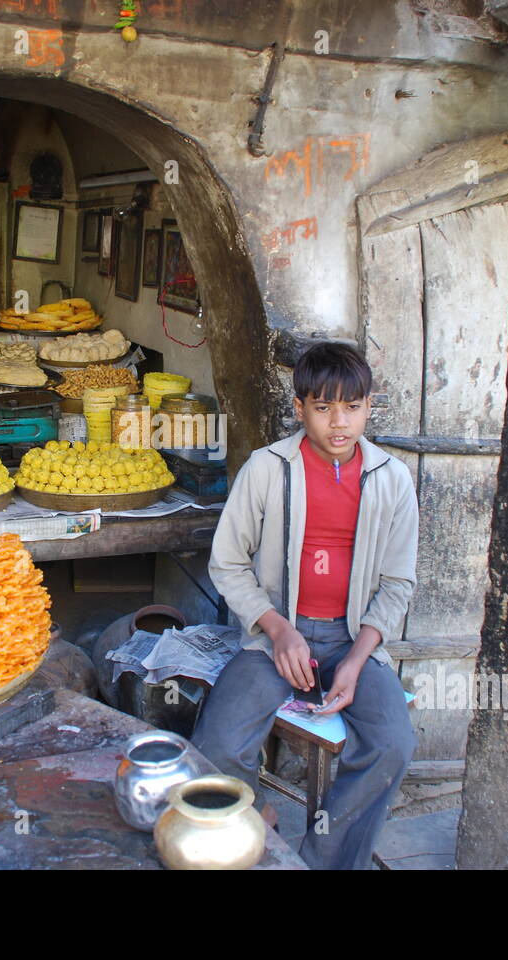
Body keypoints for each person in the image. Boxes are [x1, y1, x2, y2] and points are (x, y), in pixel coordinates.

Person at [192, 341, 419, 870]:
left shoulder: (391, 480)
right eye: (323, 408)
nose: (339, 423)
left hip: (351, 641)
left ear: (369, 406)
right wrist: (277, 629)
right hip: (276, 639)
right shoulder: (268, 469)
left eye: (353, 407)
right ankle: (261, 813)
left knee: (392, 748)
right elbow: (227, 562)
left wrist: (359, 659)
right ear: (299, 409)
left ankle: (326, 859)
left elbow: (398, 583)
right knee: (217, 745)